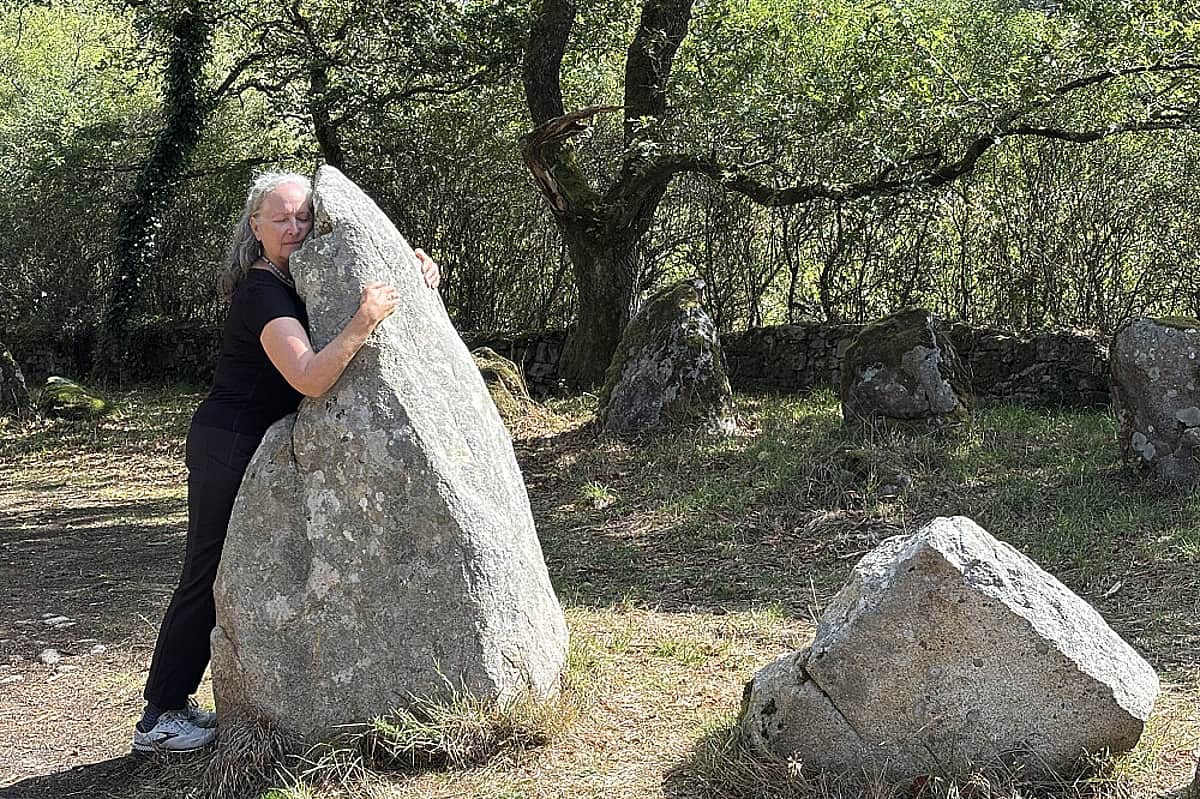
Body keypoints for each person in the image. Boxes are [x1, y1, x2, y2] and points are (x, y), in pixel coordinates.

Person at [132, 171, 440, 753]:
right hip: (229, 443)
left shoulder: (292, 279)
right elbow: (310, 376)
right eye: (281, 219)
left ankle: (175, 702)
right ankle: (160, 714)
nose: (294, 228)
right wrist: (366, 319)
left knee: (220, 572)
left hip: (254, 442)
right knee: (207, 572)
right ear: (256, 226)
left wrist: (413, 268)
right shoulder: (262, 292)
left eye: (303, 217)